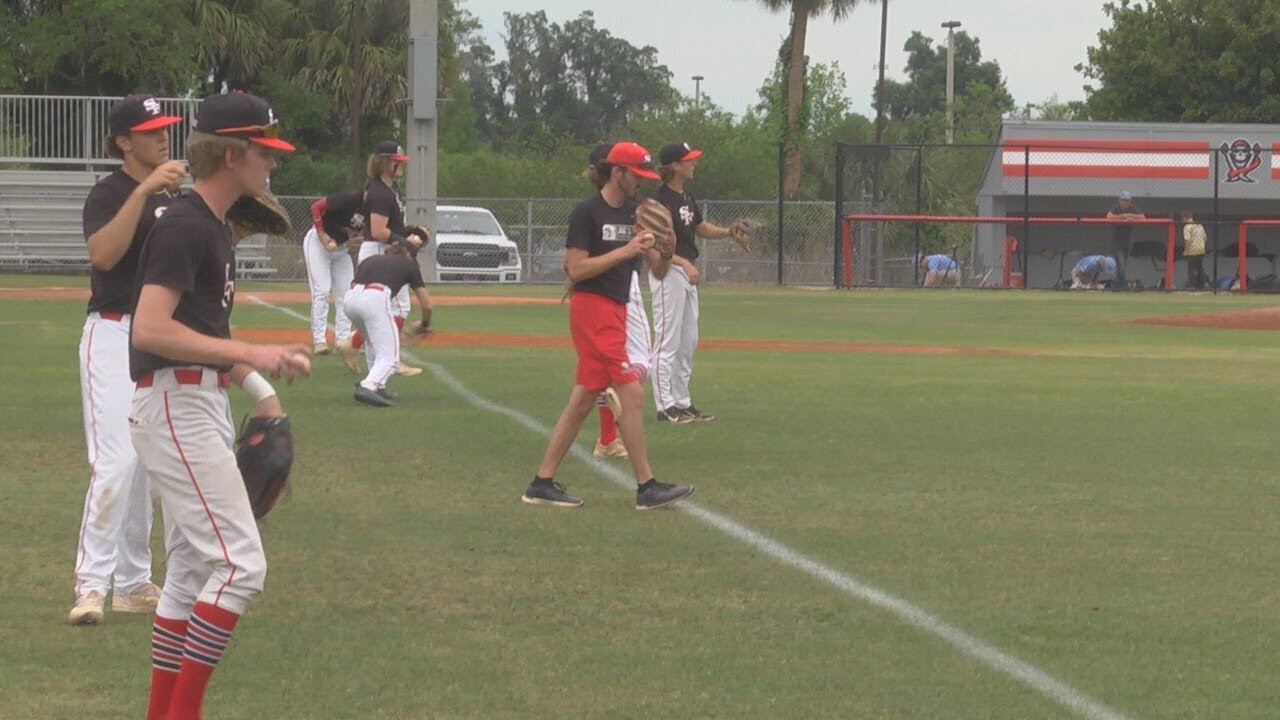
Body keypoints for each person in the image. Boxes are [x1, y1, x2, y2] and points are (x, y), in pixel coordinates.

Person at [128, 92, 311, 720]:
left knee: (186, 572)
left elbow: (203, 333)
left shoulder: (209, 227)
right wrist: (254, 354)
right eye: (264, 151)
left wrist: (259, 387)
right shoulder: (184, 224)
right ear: (230, 153)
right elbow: (149, 330)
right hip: (176, 406)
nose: (272, 164)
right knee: (239, 568)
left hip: (194, 402)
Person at [522, 141, 693, 510]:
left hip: (615, 308)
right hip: (592, 308)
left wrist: (665, 250)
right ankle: (647, 487)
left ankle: (541, 482)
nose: (642, 183)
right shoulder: (588, 212)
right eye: (637, 175)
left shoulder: (636, 212)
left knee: (583, 400)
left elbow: (658, 270)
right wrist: (625, 250)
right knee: (631, 394)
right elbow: (575, 268)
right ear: (617, 172)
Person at [70, 94, 186, 626]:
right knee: (116, 461)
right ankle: (91, 586)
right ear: (123, 140)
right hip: (113, 333)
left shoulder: (176, 196)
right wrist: (143, 190)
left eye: (165, 128)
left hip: (156, 336)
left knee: (149, 465)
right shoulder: (110, 192)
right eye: (150, 130)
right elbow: (103, 256)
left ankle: (135, 583)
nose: (163, 136)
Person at [648, 141, 734, 424]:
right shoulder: (659, 201)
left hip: (686, 273)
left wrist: (729, 232)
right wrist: (683, 264)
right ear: (674, 166)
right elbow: (655, 244)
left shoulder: (686, 197)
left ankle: (682, 402)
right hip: (668, 271)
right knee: (667, 340)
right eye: (689, 159)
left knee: (687, 342)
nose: (694, 163)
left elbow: (700, 227)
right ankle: (664, 406)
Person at [337, 140, 422, 377]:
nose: (400, 165)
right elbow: (378, 231)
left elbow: (389, 227)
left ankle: (358, 347)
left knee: (390, 309)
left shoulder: (389, 188)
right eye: (396, 161)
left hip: (382, 251)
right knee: (395, 308)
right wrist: (406, 243)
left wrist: (406, 233)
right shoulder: (380, 192)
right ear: (385, 163)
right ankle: (387, 359)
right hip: (379, 251)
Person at [342, 233, 433, 407]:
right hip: (375, 298)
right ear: (410, 254)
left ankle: (379, 385)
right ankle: (368, 386)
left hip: (350, 299)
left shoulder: (372, 259)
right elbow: (427, 304)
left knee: (371, 341)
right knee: (391, 357)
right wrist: (425, 324)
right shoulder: (410, 264)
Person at [303, 188, 364, 355]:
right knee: (321, 290)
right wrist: (322, 235)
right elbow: (316, 207)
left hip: (340, 248)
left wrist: (357, 239)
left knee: (346, 294)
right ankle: (319, 341)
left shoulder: (374, 210)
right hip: (318, 242)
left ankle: (343, 340)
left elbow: (360, 232)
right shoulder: (349, 197)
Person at [1106, 191, 1144, 290]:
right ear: (1119, 200)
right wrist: (1122, 217)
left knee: (1122, 267)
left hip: (1128, 242)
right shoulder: (1116, 207)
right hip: (1117, 243)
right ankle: (1121, 287)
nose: (1125, 202)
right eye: (1123, 200)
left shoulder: (1132, 208)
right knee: (1121, 265)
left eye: (1127, 200)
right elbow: (1108, 217)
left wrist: (1131, 216)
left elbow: (1143, 217)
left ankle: (1117, 287)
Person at [1181, 209, 1208, 290]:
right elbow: (1205, 237)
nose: (1182, 221)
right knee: (1200, 268)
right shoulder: (1199, 225)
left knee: (1191, 269)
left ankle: (1191, 285)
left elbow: (1187, 239)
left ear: (1186, 218)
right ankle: (1203, 284)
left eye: (1182, 219)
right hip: (1201, 249)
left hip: (1192, 250)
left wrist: (1186, 250)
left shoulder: (1187, 227)